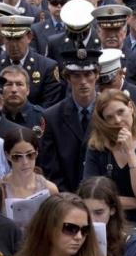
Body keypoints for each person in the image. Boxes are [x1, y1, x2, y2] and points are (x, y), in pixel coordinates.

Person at [83, 89, 136, 224]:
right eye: (109, 117)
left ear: (130, 107)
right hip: (106, 223)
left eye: (121, 112)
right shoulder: (97, 148)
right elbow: (91, 197)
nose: (117, 120)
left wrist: (130, 152)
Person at [39, 49, 102, 192]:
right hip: (67, 199)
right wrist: (69, 200)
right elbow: (50, 168)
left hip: (103, 196)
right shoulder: (52, 117)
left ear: (97, 75)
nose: (83, 82)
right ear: (68, 78)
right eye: (76, 76)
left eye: (88, 74)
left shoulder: (109, 112)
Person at [2, 127, 59, 201]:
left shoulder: (50, 189)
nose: (25, 162)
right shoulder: (0, 190)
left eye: (30, 155)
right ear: (7, 155)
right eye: (17, 156)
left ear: (37, 152)